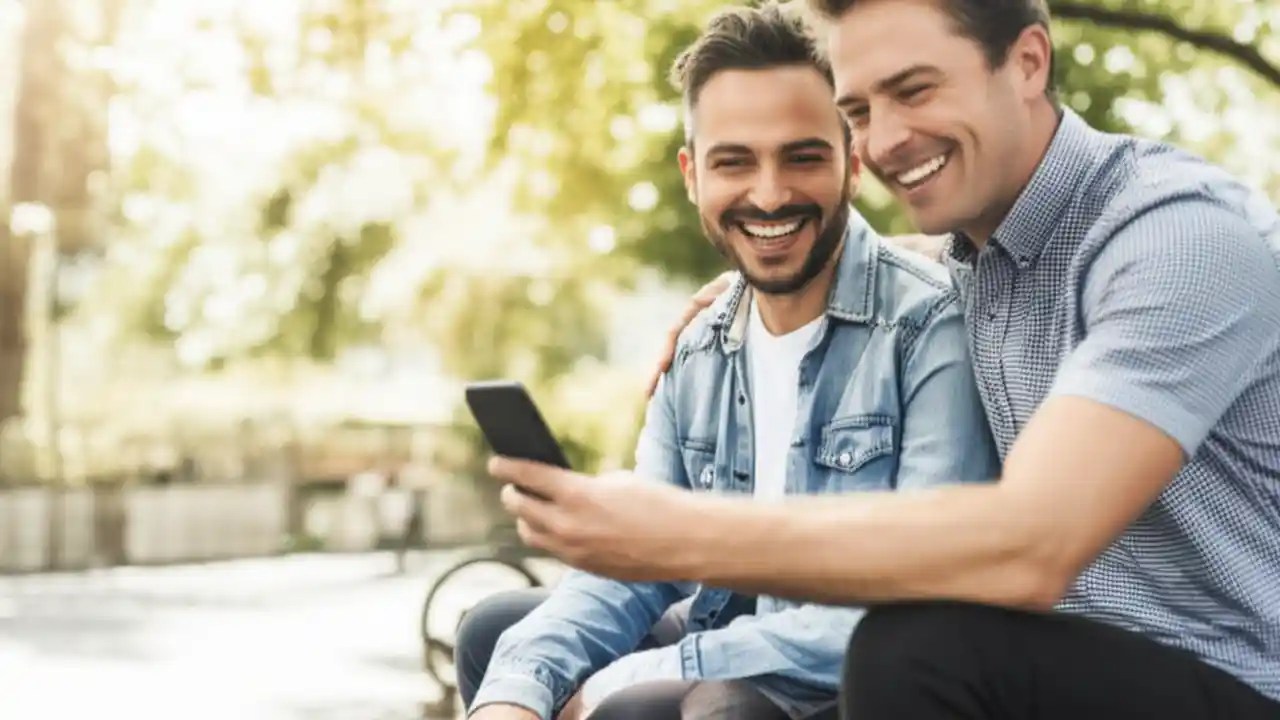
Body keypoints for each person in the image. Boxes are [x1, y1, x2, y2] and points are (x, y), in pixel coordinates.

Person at [487, 0, 1280, 718]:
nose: (888, 140)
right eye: (859, 109)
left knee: (914, 647)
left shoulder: (1176, 239)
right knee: (505, 631)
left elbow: (1030, 544)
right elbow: (875, 260)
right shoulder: (981, 254)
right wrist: (756, 274)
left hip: (1223, 676)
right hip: (1052, 662)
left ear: (1029, 62)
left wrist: (671, 531)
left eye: (917, 89)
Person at [458, 4, 1000, 719]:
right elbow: (633, 571)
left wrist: (631, 676)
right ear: (692, 174)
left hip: (864, 671)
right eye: (734, 160)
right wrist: (516, 695)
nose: (769, 194)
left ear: (852, 163)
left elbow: (903, 611)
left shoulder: (931, 327)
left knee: (649, 707)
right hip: (738, 628)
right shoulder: (703, 344)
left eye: (802, 156)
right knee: (495, 637)